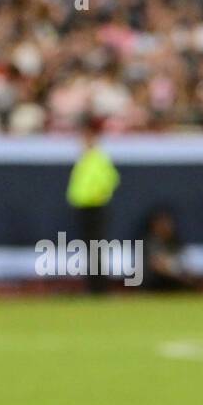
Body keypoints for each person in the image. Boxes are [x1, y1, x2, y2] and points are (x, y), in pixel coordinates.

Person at [66, 117, 120, 295]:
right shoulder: (86, 158)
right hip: (84, 208)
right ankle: (93, 285)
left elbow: (110, 181)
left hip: (95, 208)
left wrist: (96, 196)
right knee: (90, 249)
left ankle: (99, 287)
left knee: (96, 248)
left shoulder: (98, 158)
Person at [142, 208, 193, 292]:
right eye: (163, 223)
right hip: (154, 285)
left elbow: (184, 261)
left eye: (168, 223)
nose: (167, 226)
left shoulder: (175, 242)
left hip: (174, 284)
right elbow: (157, 265)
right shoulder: (150, 242)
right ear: (154, 225)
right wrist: (180, 276)